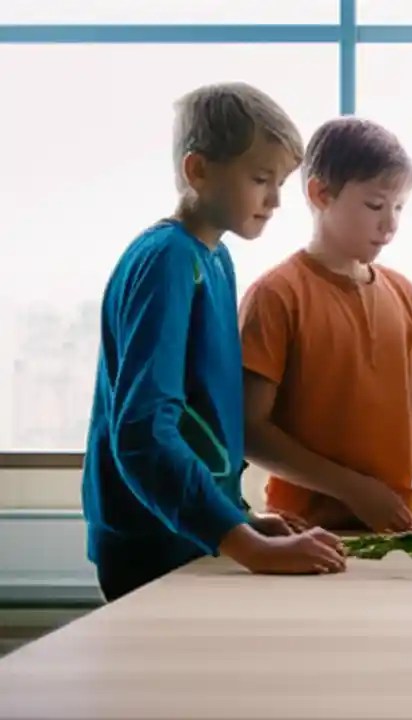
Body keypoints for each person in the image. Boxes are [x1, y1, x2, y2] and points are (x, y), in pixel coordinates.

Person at [81, 82, 347, 603]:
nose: (273, 201)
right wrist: (245, 545)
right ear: (197, 171)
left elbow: (203, 420)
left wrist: (240, 520)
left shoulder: (216, 259)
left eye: (280, 183)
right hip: (151, 542)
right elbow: (143, 434)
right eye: (259, 179)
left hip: (193, 534)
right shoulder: (168, 260)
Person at [239, 116, 412, 534]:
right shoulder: (276, 295)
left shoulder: (404, 294)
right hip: (304, 534)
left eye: (399, 207)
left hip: (399, 534)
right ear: (320, 193)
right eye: (374, 205)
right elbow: (248, 430)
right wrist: (353, 490)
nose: (390, 224)